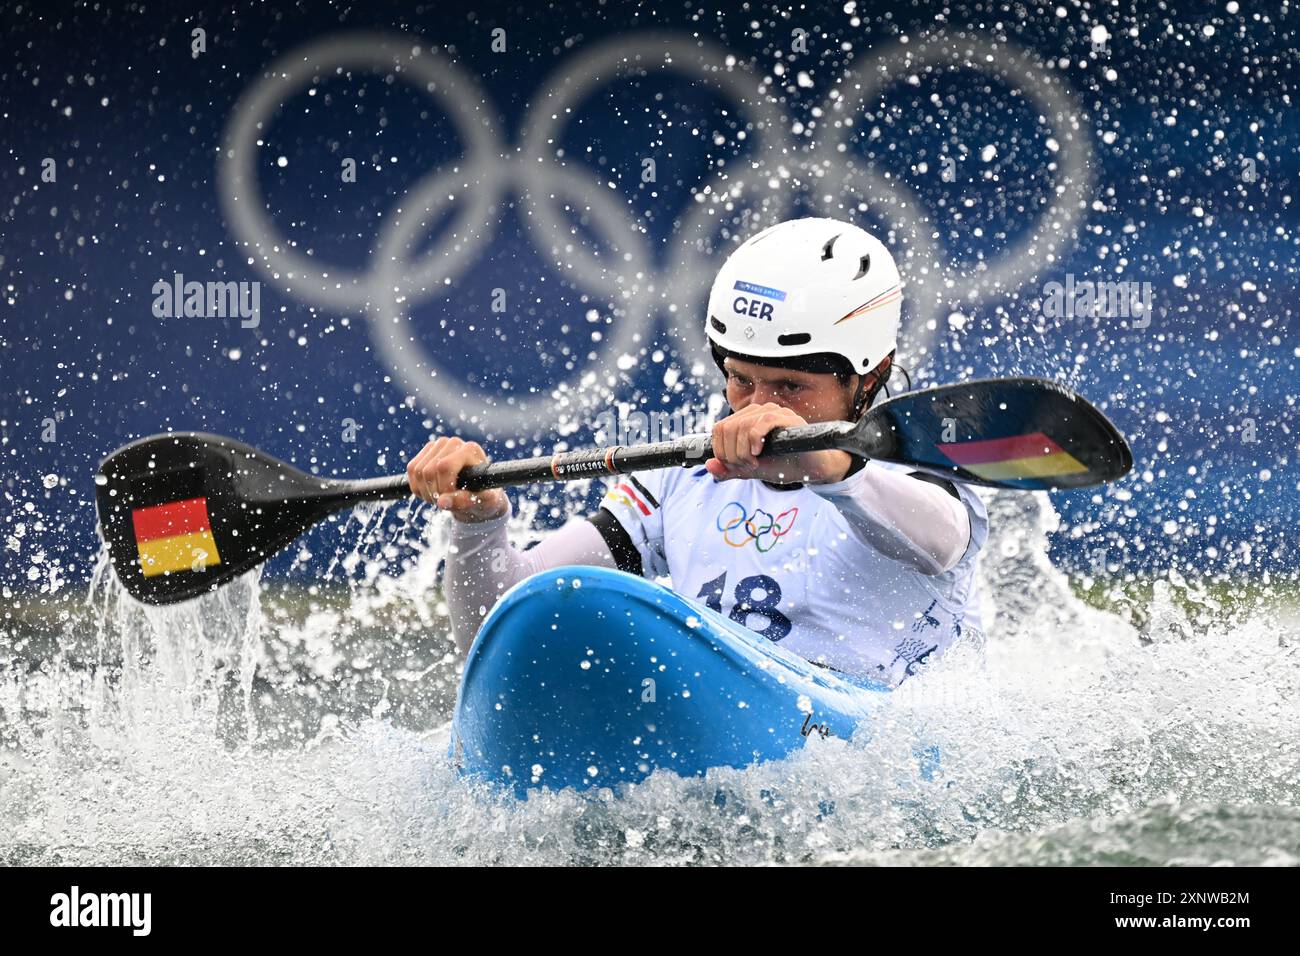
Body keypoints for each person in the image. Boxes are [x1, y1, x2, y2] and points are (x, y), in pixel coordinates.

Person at [407, 217, 987, 687]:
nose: (756, 408)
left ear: (870, 374)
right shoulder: (681, 480)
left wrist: (829, 467)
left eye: (790, 387)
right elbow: (496, 626)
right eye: (740, 380)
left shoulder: (920, 461)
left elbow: (941, 542)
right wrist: (481, 527)